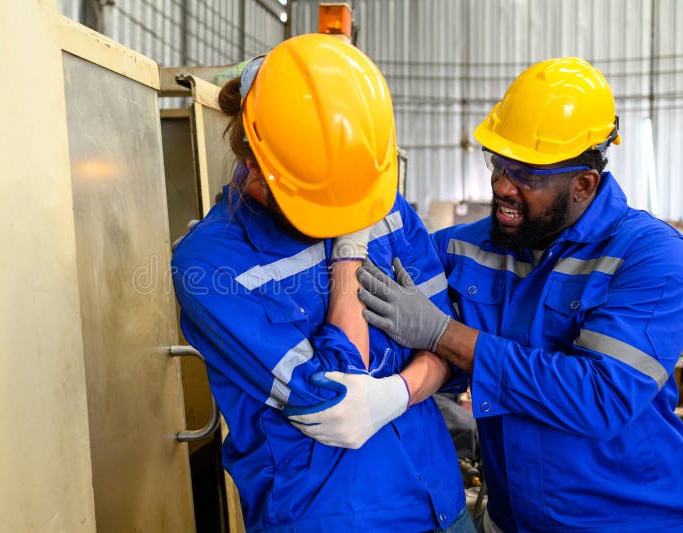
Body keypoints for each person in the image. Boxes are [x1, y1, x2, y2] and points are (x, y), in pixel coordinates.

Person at [336, 57, 683, 531]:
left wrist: (444, 334)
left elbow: (600, 398)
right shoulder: (465, 247)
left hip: (628, 520)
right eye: (498, 164)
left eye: (528, 176)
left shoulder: (650, 256)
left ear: (584, 183)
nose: (502, 186)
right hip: (512, 520)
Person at [172, 33, 473, 532]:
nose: (347, 211)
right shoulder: (211, 265)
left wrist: (395, 393)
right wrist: (349, 251)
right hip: (332, 516)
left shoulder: (378, 202)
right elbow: (333, 402)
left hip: (439, 499)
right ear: (256, 162)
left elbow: (447, 342)